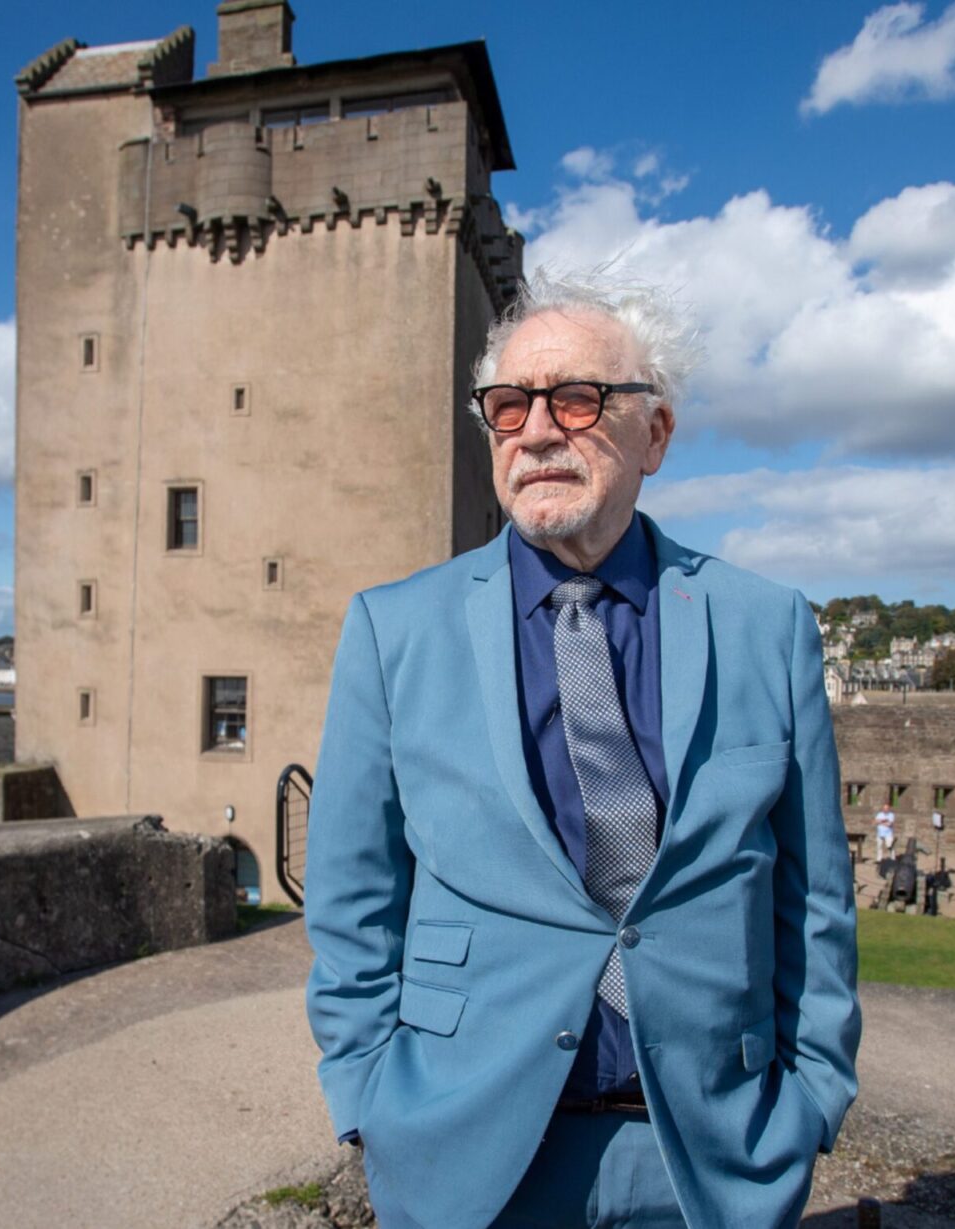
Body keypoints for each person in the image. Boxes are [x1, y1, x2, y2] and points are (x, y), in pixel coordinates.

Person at [304, 272, 861, 1229]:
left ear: (658, 433)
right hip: (468, 1149)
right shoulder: (394, 631)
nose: (537, 430)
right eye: (509, 405)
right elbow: (353, 895)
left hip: (712, 1152)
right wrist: (366, 1099)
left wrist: (812, 1098)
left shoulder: (767, 626)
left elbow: (813, 895)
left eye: (578, 399)